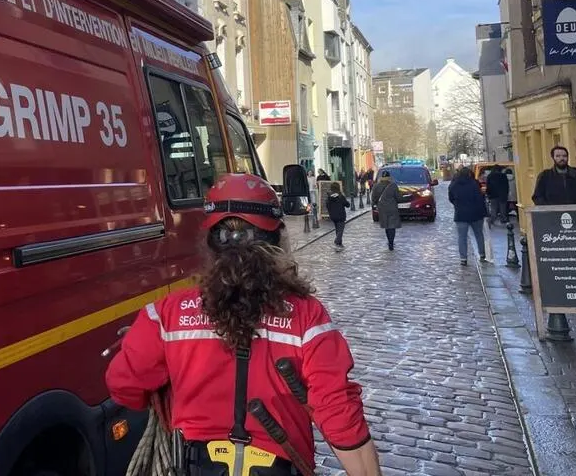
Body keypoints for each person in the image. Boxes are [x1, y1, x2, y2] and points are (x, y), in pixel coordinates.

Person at [105, 174, 383, 476]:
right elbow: (338, 412)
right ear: (278, 238)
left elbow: (124, 386)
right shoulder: (307, 317)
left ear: (209, 243)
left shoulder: (166, 315)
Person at [449, 166, 487, 266]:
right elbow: (480, 197)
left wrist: (457, 205)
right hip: (476, 213)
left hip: (461, 214)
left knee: (462, 237)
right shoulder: (474, 183)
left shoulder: (454, 184)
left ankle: (463, 258)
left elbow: (451, 198)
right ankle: (482, 254)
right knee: (479, 234)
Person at [371, 170, 402, 250]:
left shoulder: (376, 186)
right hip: (392, 208)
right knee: (392, 226)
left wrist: (375, 204)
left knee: (386, 226)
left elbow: (373, 198)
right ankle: (391, 242)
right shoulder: (393, 186)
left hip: (382, 209)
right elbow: (398, 198)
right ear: (389, 177)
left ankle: (389, 241)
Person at [328, 180, 351, 250]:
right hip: (341, 216)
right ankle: (337, 241)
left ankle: (340, 243)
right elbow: (347, 204)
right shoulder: (341, 196)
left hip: (333, 216)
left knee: (337, 230)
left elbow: (327, 205)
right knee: (340, 230)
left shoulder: (329, 197)